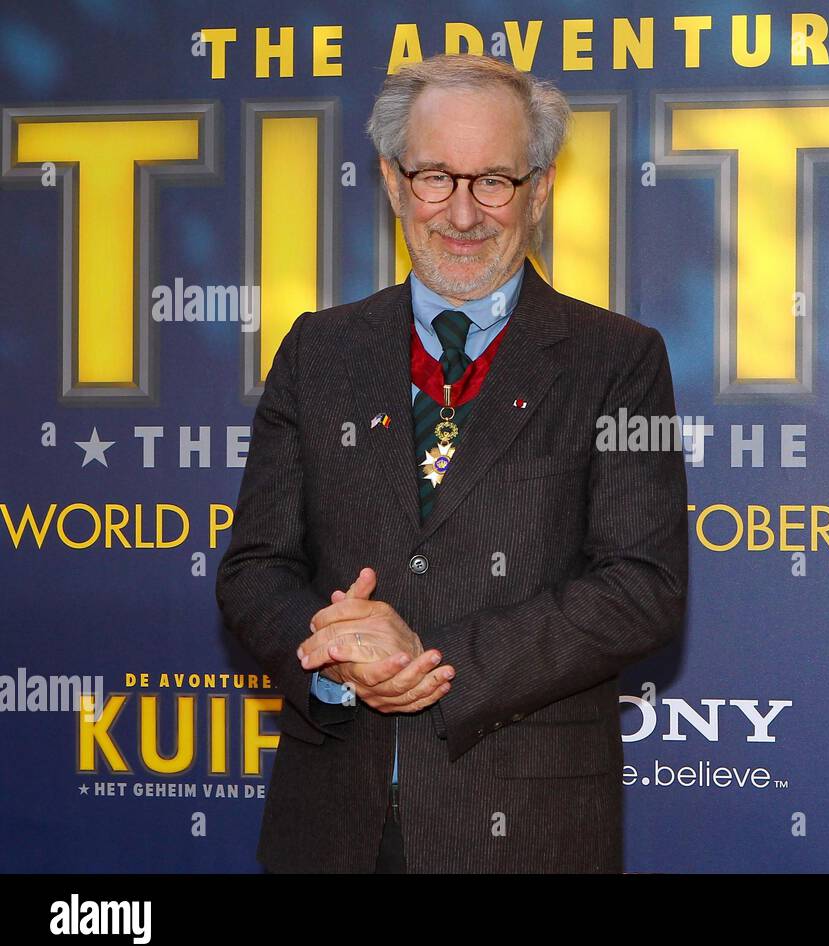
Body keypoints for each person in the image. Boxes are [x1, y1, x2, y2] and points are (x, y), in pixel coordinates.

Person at [215, 54, 688, 873]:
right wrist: (339, 658)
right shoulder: (316, 352)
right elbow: (254, 571)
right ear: (396, 184)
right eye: (435, 177)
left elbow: (640, 589)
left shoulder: (620, 361)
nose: (463, 213)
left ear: (538, 189)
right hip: (331, 828)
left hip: (530, 832)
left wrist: (429, 666)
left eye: (494, 180)